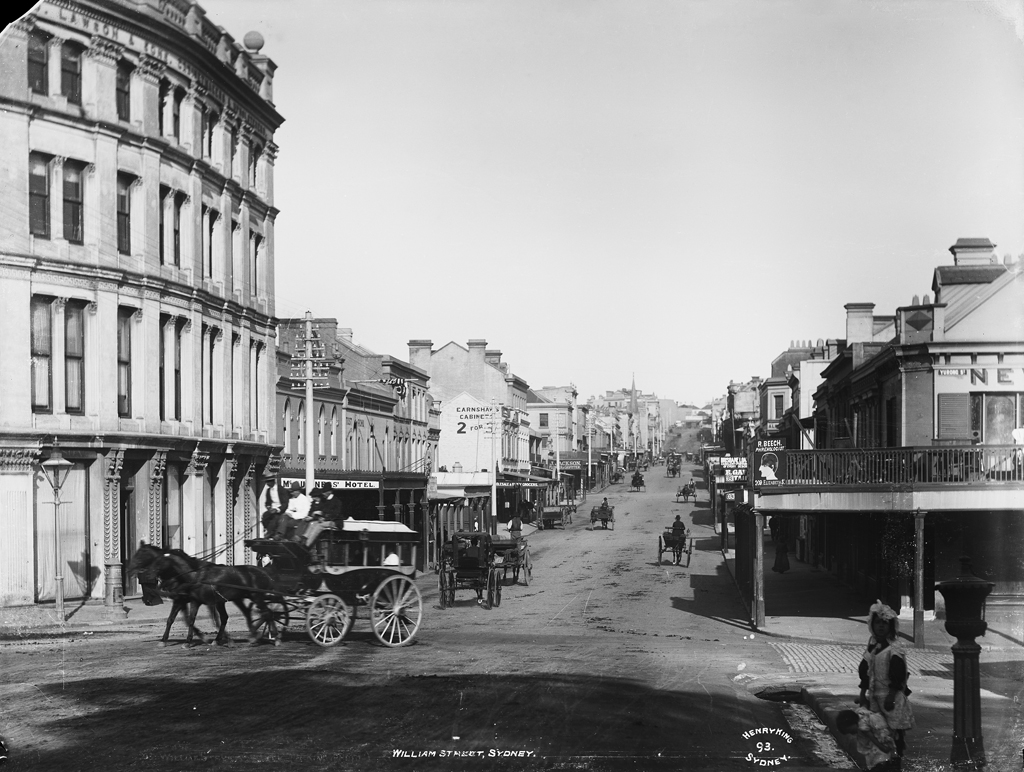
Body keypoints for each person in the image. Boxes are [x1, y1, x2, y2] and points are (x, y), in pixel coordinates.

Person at [858, 601, 914, 764]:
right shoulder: (873, 646)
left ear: (891, 626)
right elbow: (865, 673)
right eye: (877, 623)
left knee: (893, 734)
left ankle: (896, 762)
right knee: (877, 733)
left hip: (891, 699)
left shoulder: (894, 648)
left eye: (885, 623)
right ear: (872, 624)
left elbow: (899, 674)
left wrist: (891, 696)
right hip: (875, 698)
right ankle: (880, 763)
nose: (881, 627)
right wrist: (863, 694)